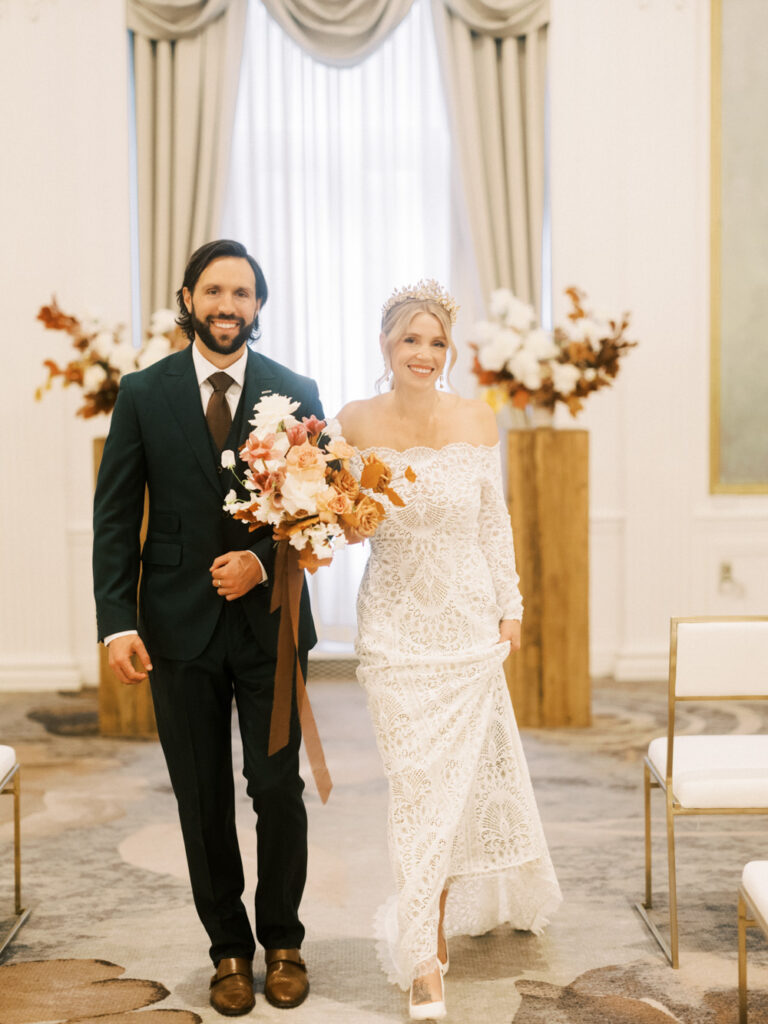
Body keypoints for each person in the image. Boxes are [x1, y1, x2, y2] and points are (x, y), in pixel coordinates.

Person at [93, 239, 323, 1016]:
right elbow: (117, 518)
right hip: (175, 630)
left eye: (244, 294)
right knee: (202, 796)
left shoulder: (295, 392)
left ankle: (284, 940)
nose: (230, 306)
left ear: (259, 306)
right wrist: (115, 623)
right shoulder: (143, 393)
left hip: (269, 626)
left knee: (275, 788)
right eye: (215, 291)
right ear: (189, 298)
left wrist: (262, 561)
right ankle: (228, 949)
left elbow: (316, 515)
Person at [336, 280, 562, 1021]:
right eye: (411, 340)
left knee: (457, 787)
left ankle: (428, 951)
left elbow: (491, 522)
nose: (425, 354)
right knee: (416, 788)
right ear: (386, 346)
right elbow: (340, 527)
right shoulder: (352, 421)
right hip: (396, 632)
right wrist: (346, 519)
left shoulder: (476, 418)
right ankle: (422, 955)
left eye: (436, 342)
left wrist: (511, 607)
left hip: (467, 627)